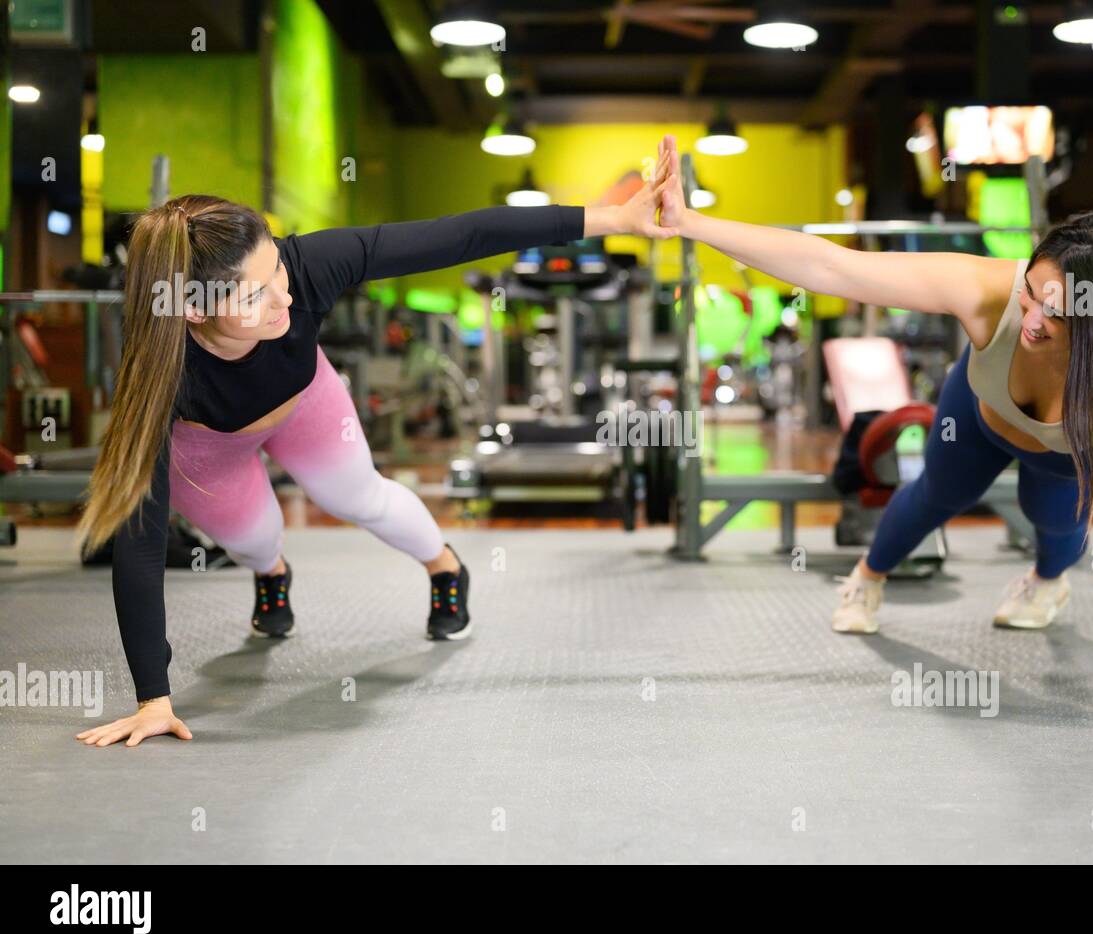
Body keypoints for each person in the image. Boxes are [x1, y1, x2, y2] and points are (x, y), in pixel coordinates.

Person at [653, 133, 1093, 743]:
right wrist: (690, 222)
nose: (1034, 320)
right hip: (981, 416)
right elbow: (835, 267)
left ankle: (1046, 585)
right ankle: (867, 577)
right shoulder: (988, 291)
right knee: (937, 493)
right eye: (1032, 293)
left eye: (1059, 313)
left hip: (1067, 456)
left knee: (1058, 529)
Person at [73, 162, 678, 747]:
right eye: (255, 296)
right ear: (194, 309)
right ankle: (272, 573)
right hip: (210, 442)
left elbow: (462, 234)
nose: (284, 298)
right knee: (253, 539)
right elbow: (141, 538)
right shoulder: (157, 373)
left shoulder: (307, 267)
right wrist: (153, 697)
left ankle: (445, 567)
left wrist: (611, 220)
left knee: (356, 495)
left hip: (305, 399)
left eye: (276, 269)